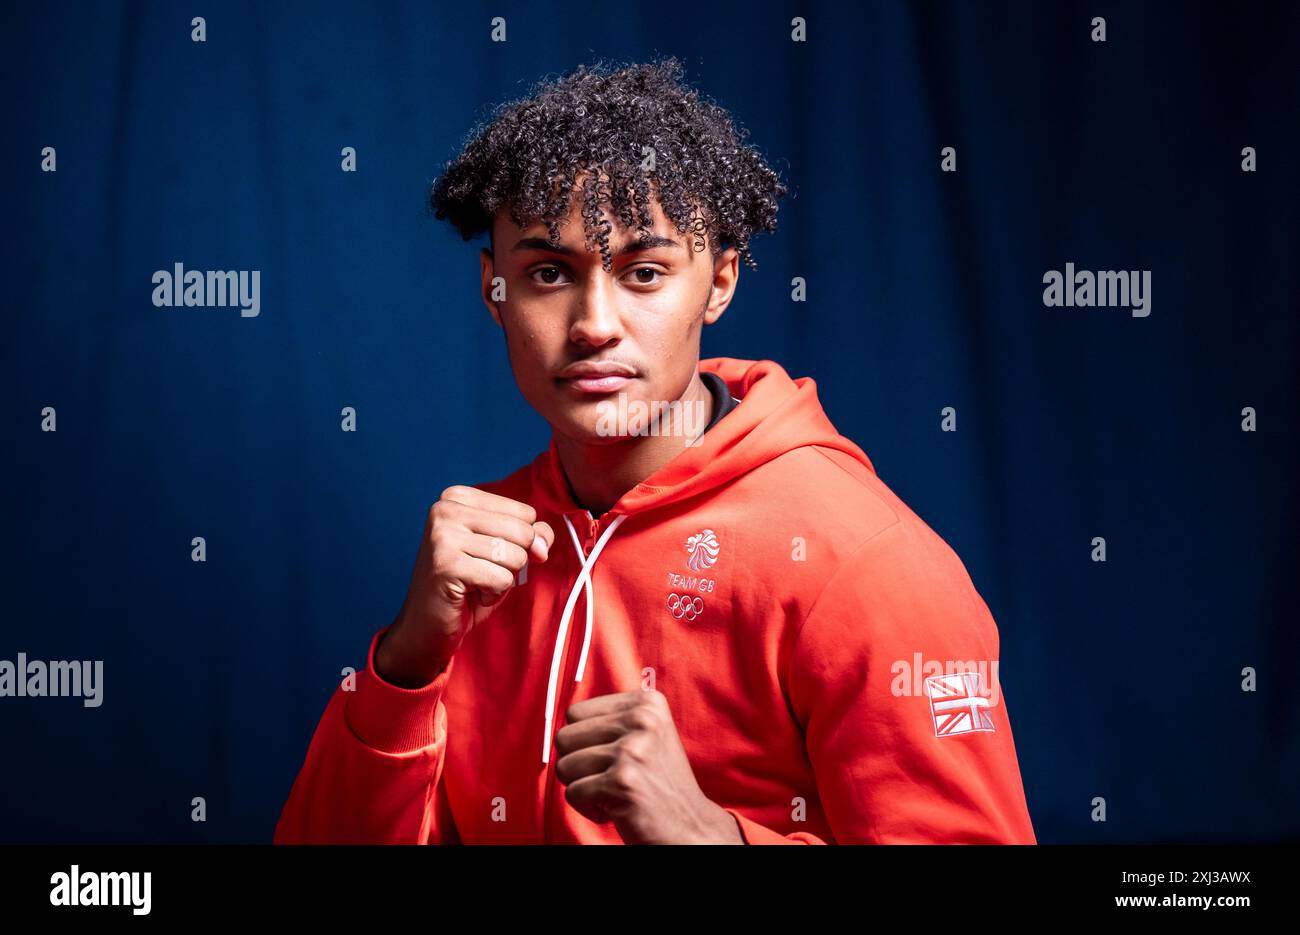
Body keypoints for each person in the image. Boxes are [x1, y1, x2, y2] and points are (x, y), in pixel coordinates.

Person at [273, 58, 1036, 844]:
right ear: (492, 290)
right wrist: (407, 662)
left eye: (643, 271)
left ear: (720, 282)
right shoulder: (477, 566)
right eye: (546, 273)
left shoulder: (865, 564)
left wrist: (713, 837)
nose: (594, 322)